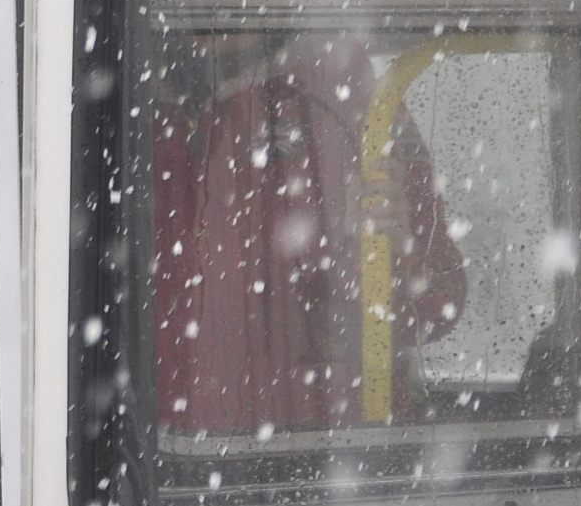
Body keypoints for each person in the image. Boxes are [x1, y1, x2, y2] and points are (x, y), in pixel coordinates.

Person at [151, 37, 468, 434]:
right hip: (172, 457)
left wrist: (379, 256)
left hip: (332, 446)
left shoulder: (356, 106)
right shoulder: (114, 104)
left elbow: (439, 299)